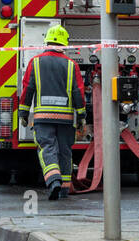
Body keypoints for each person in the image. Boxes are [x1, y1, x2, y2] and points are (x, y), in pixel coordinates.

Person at [19, 23, 88, 200]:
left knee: (47, 148)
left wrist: (24, 113)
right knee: (65, 151)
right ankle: (64, 189)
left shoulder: (35, 62)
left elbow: (28, 89)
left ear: (47, 41)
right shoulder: (72, 65)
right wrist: (81, 116)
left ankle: (53, 180)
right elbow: (78, 92)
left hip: (43, 118)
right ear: (64, 44)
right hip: (66, 120)